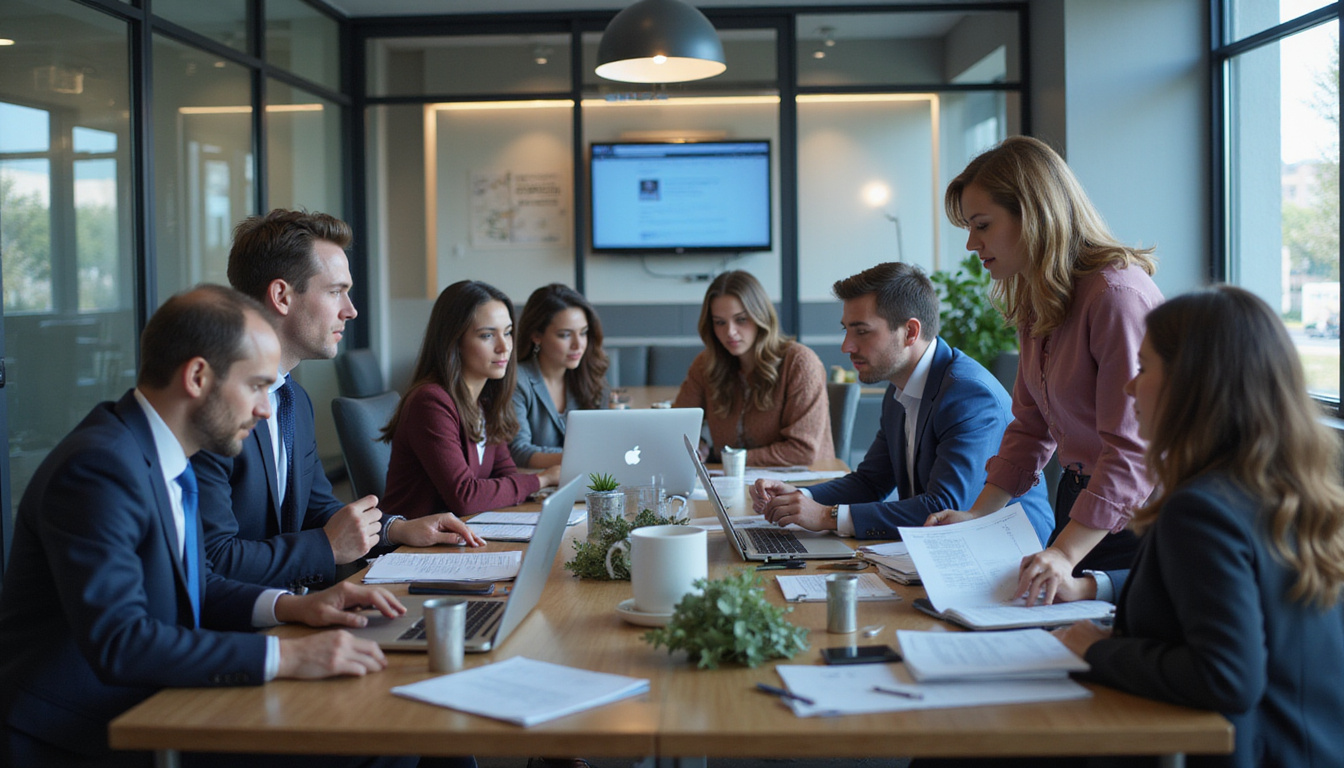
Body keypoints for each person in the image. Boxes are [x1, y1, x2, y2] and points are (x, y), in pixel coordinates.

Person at [0, 286, 413, 768]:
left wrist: (299, 606)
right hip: (84, 728)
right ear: (197, 376)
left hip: (157, 699)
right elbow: (121, 642)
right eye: (257, 386)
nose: (265, 409)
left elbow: (198, 585)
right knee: (382, 743)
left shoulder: (157, 454)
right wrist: (288, 658)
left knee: (398, 727)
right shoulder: (99, 468)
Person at [1056, 286, 1344, 768]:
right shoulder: (1292, 490)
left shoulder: (1201, 509)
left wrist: (1097, 650)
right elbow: (1227, 588)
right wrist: (1093, 587)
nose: (1129, 388)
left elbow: (1225, 676)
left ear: (1193, 385)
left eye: (1143, 369)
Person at [928, 136, 1163, 605]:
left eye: (982, 226)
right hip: (1081, 503)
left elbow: (1134, 449)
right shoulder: (1043, 299)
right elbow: (1032, 426)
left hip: (1141, 517)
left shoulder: (1116, 297)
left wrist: (1063, 552)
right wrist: (980, 515)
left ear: (1033, 217)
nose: (972, 244)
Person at [195, 209, 472, 592]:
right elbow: (213, 559)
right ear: (281, 296)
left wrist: (398, 529)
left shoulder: (293, 400)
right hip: (243, 627)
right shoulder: (213, 407)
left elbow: (316, 509)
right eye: (335, 291)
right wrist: (325, 547)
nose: (351, 310)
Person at [749, 263, 1052, 543]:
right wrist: (800, 497)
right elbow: (870, 483)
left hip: (1010, 557)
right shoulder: (900, 388)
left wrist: (828, 516)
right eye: (846, 330)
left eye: (862, 331)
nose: (846, 346)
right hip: (948, 551)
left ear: (910, 332)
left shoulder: (968, 394)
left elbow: (942, 509)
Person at [382, 280, 560, 521]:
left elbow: (504, 474)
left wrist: (529, 485)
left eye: (507, 333)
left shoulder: (483, 402)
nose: (504, 347)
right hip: (411, 549)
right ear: (454, 342)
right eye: (487, 335)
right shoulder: (430, 402)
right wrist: (543, 479)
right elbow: (465, 497)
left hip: (460, 537)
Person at [673, 270, 834, 466]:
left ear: (761, 317)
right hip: (733, 483)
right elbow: (677, 425)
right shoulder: (706, 364)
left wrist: (730, 459)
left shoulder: (799, 363)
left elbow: (803, 451)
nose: (730, 332)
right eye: (720, 323)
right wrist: (699, 444)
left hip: (802, 486)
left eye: (741, 319)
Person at [509, 283, 609, 469]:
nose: (578, 345)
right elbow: (519, 451)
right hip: (536, 489)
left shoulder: (590, 376)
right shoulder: (517, 380)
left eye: (584, 333)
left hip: (586, 483)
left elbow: (603, 442)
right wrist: (585, 457)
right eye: (565, 335)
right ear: (536, 336)